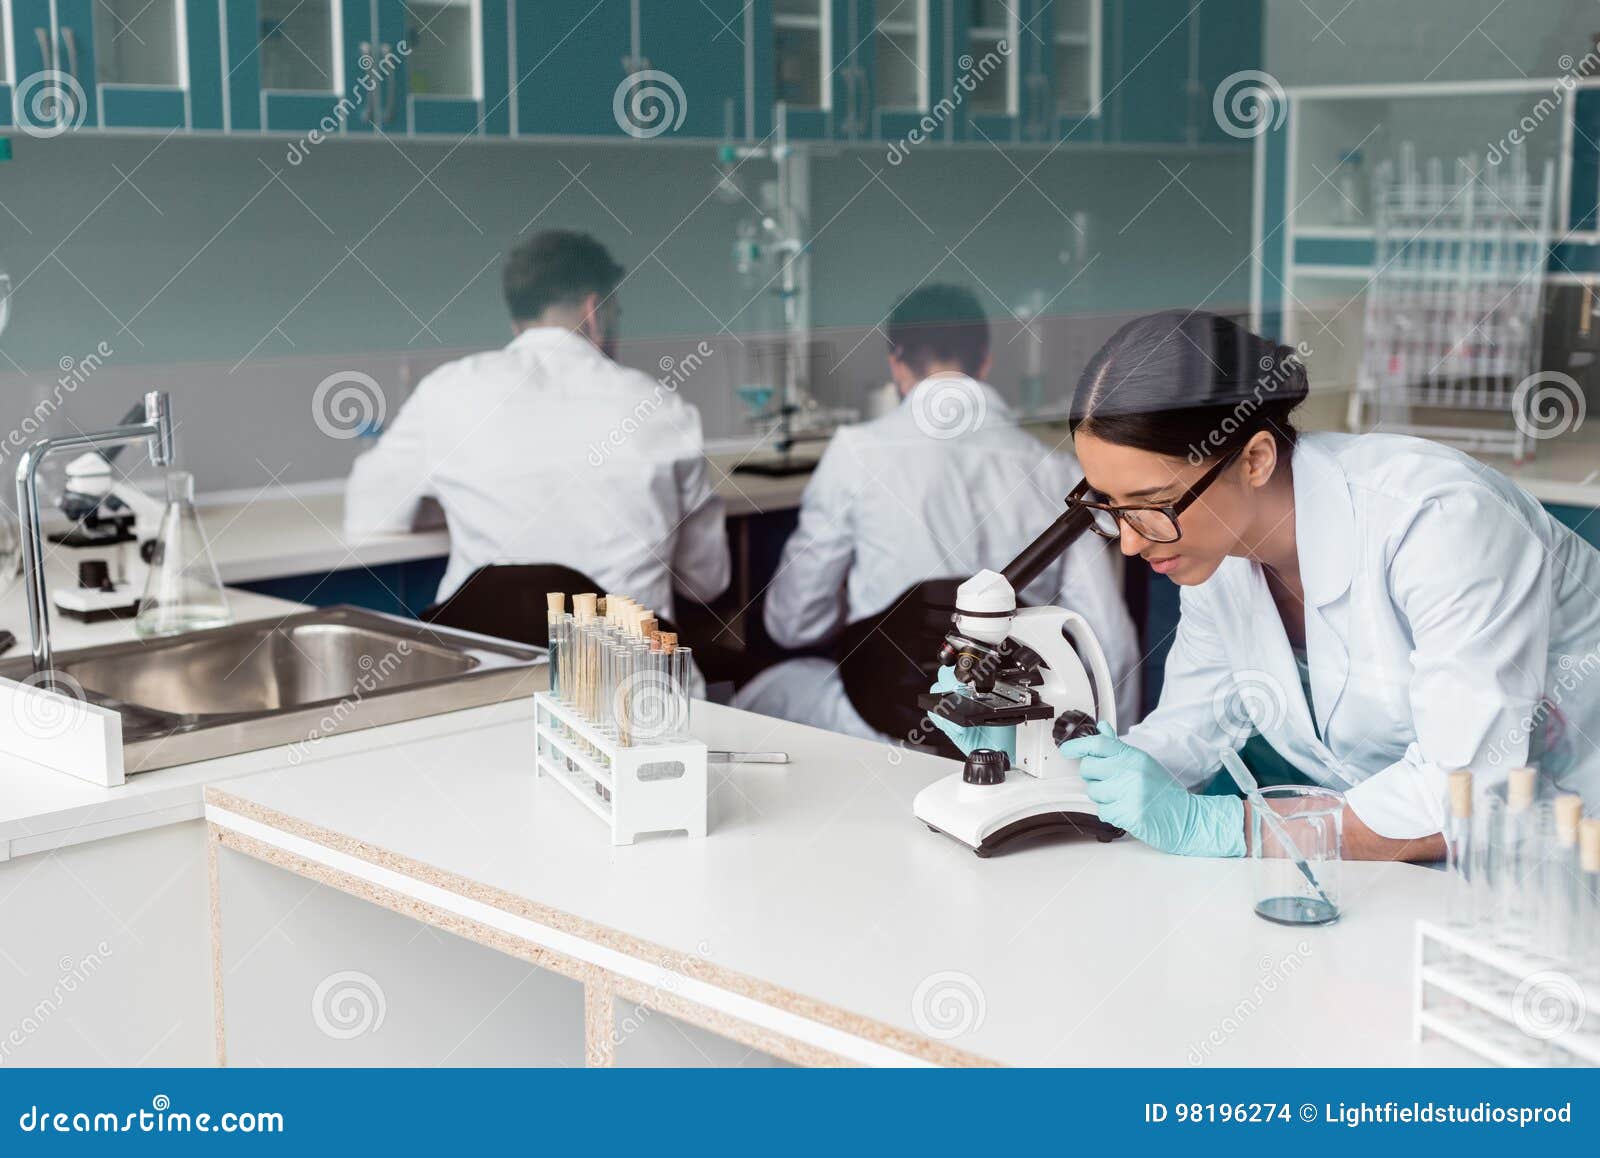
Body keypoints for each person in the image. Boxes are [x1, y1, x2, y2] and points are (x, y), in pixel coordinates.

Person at [936, 310, 1600, 861]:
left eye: (1152, 504)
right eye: (1109, 505)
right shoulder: (1217, 553)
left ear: (1253, 458)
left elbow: (1464, 795)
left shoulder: (1438, 523)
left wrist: (1232, 829)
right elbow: (1189, 733)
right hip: (1411, 872)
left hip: (1568, 850)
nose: (1132, 541)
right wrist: (1048, 760)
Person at [738, 284, 1138, 738]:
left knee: (761, 695)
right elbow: (1113, 643)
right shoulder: (1055, 471)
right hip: (1010, 736)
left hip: (876, 725)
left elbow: (793, 625)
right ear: (984, 361)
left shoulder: (856, 452)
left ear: (896, 363)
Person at [344, 230, 729, 620]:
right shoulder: (664, 409)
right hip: (631, 673)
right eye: (616, 315)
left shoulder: (448, 390)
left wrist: (455, 497)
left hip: (491, 670)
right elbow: (706, 582)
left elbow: (368, 516)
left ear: (517, 323)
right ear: (594, 312)